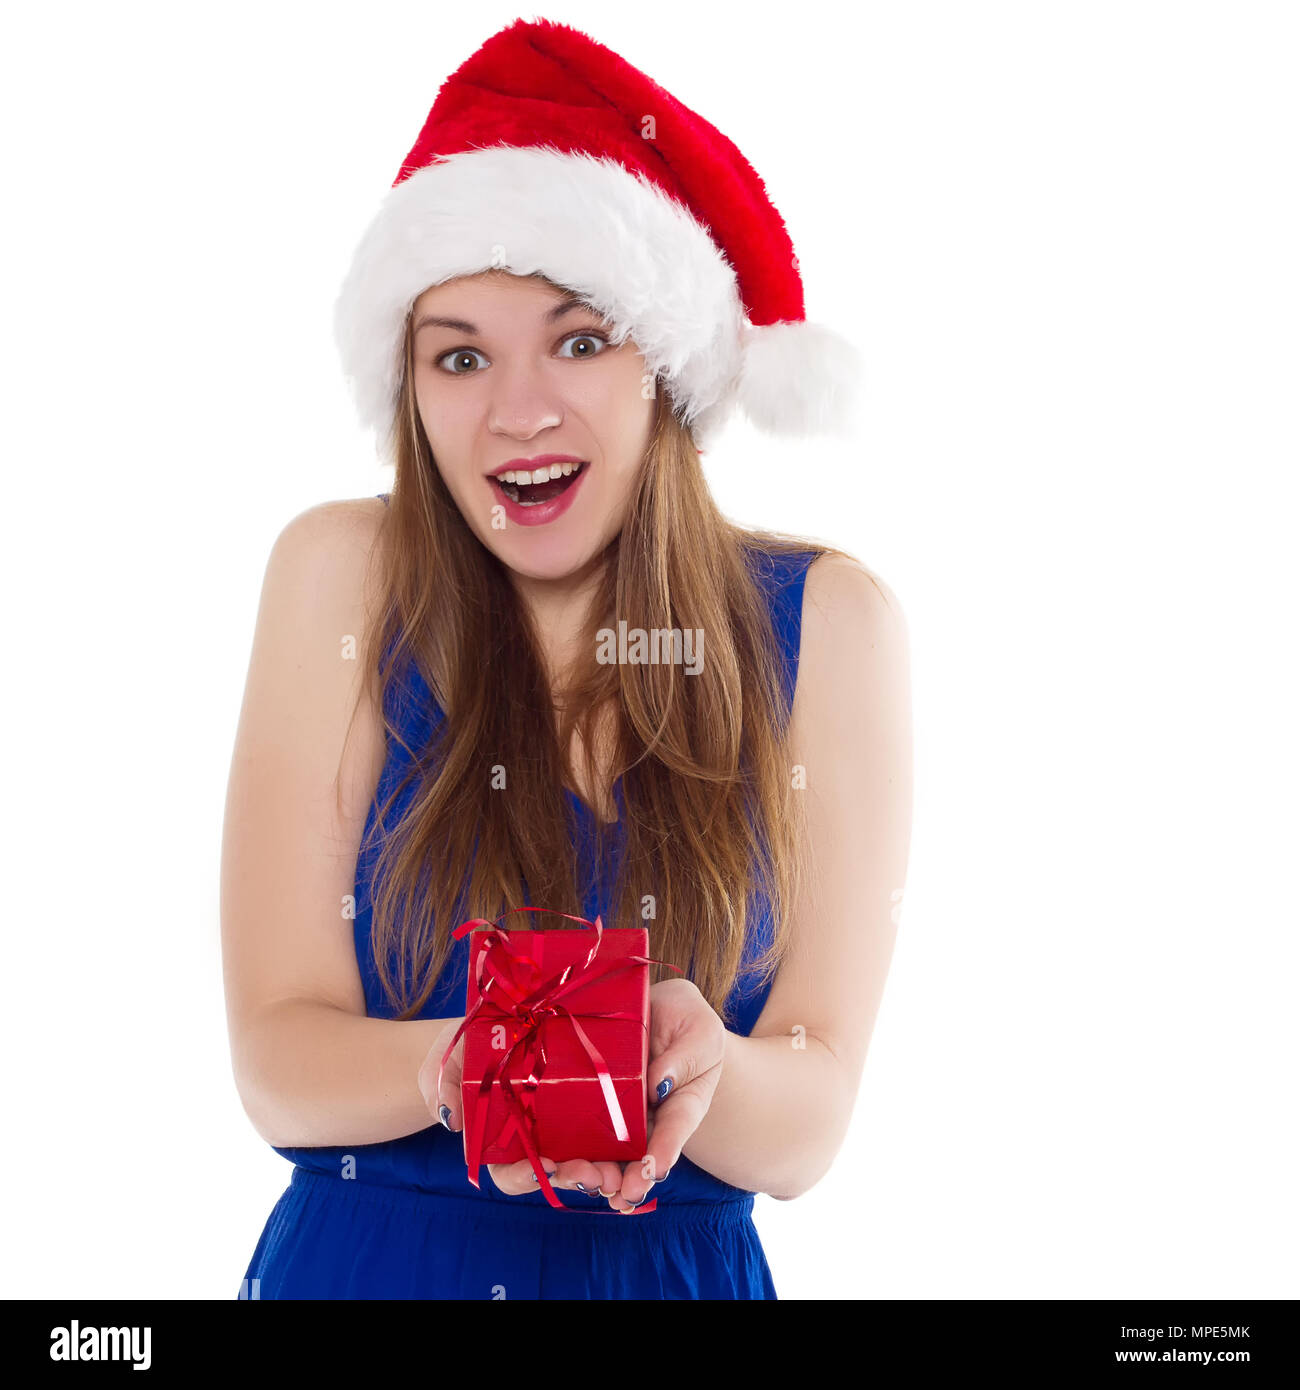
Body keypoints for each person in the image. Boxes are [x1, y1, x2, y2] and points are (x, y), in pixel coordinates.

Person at [221, 17, 912, 1300]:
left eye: (580, 338)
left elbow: (810, 1117)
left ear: (669, 367)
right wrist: (455, 1067)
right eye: (459, 353)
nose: (517, 411)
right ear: (410, 384)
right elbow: (275, 1054)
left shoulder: (831, 624)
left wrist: (712, 1071)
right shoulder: (339, 575)